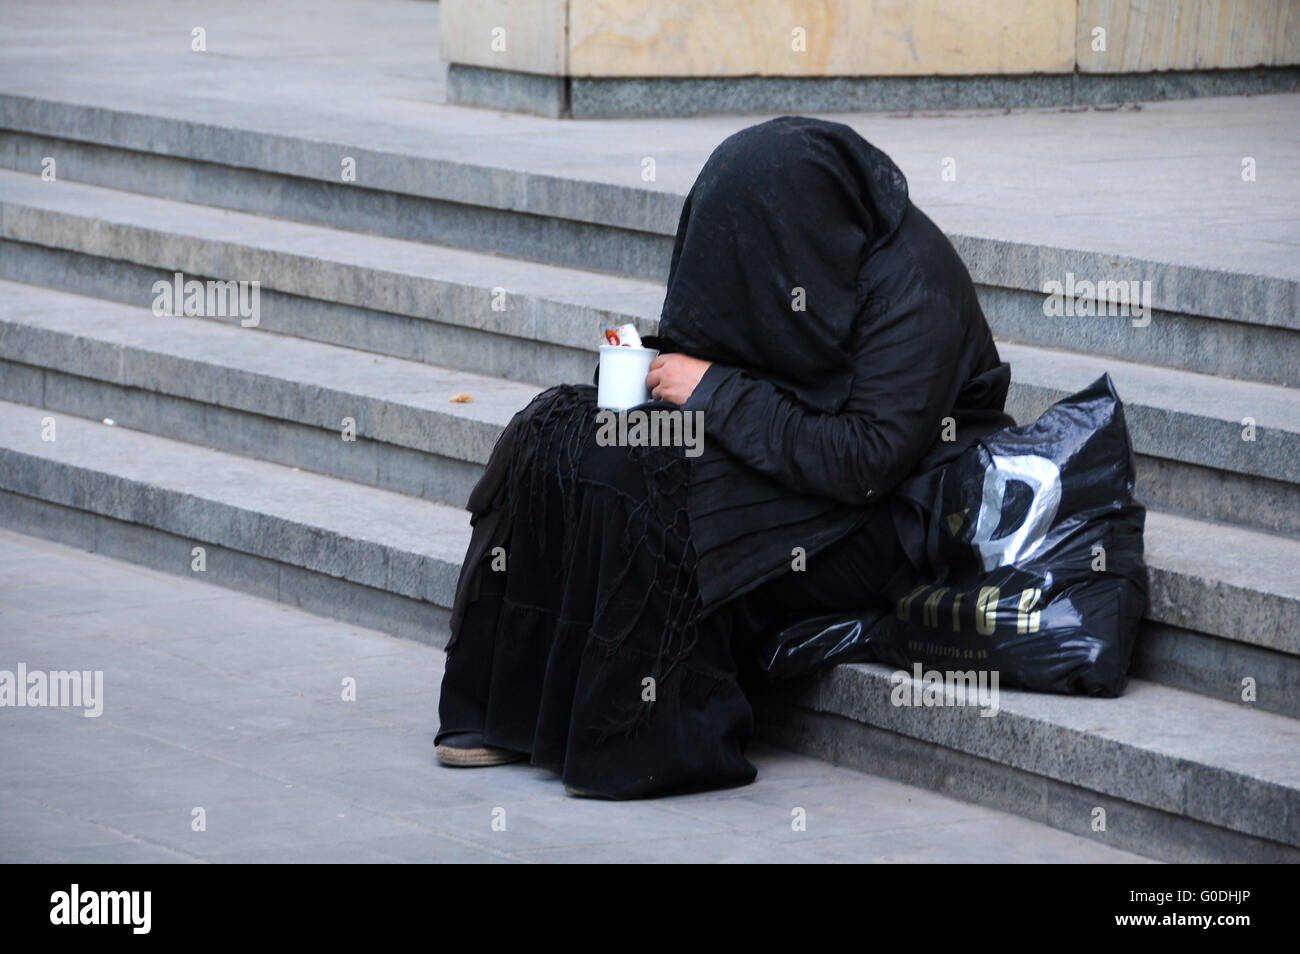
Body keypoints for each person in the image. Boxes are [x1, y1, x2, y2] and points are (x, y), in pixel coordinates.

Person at [433, 116, 1013, 799]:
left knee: (662, 489)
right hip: (787, 449)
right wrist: (646, 372)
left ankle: (649, 741)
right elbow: (727, 341)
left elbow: (867, 460)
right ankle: (512, 708)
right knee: (569, 437)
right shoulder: (797, 249)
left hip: (893, 514)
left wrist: (711, 390)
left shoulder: (916, 286)